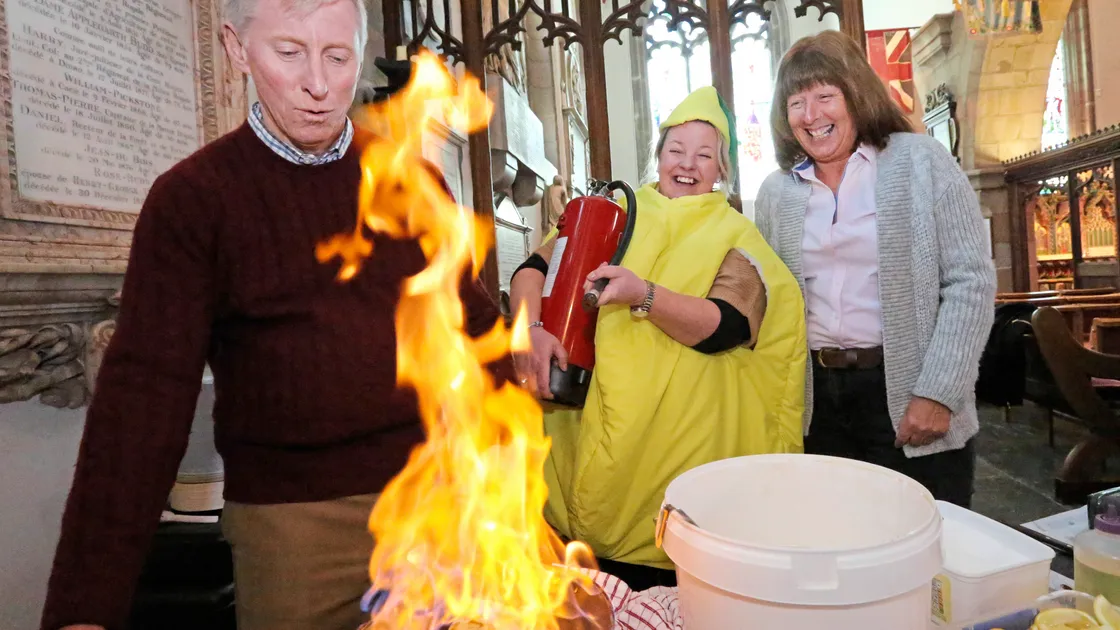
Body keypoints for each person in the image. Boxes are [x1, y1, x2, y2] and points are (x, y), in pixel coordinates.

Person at [40, 1, 509, 629]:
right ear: (238, 50)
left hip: (434, 503)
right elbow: (143, 398)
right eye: (289, 52)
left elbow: (474, 327)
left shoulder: (412, 183)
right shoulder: (195, 200)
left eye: (337, 57)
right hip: (294, 526)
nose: (318, 84)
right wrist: (86, 605)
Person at [509, 86, 807, 591]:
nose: (687, 164)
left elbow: (727, 327)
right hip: (577, 439)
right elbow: (533, 269)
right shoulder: (614, 214)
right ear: (658, 156)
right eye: (675, 150)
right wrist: (530, 330)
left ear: (722, 171)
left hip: (666, 467)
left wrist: (645, 295)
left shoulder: (737, 237)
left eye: (704, 155)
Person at [754, 30, 996, 507]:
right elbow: (766, 298)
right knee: (835, 547)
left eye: (826, 96)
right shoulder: (776, 192)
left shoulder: (920, 160)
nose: (812, 115)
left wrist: (939, 392)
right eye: (797, 102)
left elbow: (970, 281)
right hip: (815, 401)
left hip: (908, 389)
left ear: (856, 95)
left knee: (926, 551)